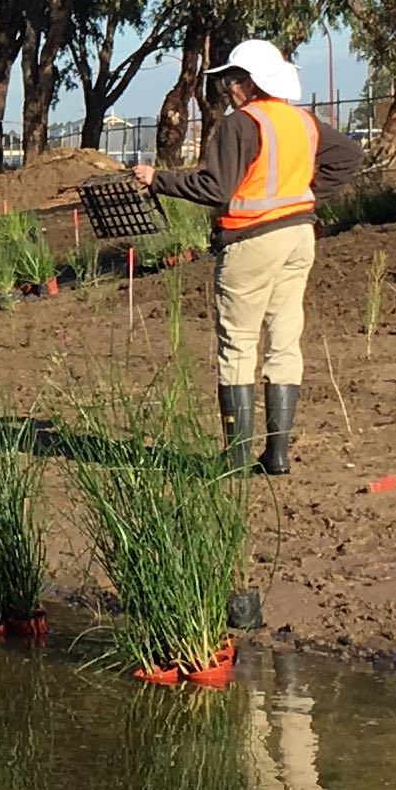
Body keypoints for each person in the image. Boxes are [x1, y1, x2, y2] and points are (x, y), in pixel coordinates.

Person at [125, 36, 356, 477]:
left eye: (232, 79)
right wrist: (307, 197)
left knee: (237, 344)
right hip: (298, 237)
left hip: (251, 241)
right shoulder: (302, 122)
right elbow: (348, 156)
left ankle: (235, 457)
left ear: (249, 83)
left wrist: (159, 180)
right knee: (285, 342)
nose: (227, 88)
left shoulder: (239, 124)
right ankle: (278, 456)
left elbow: (216, 189)